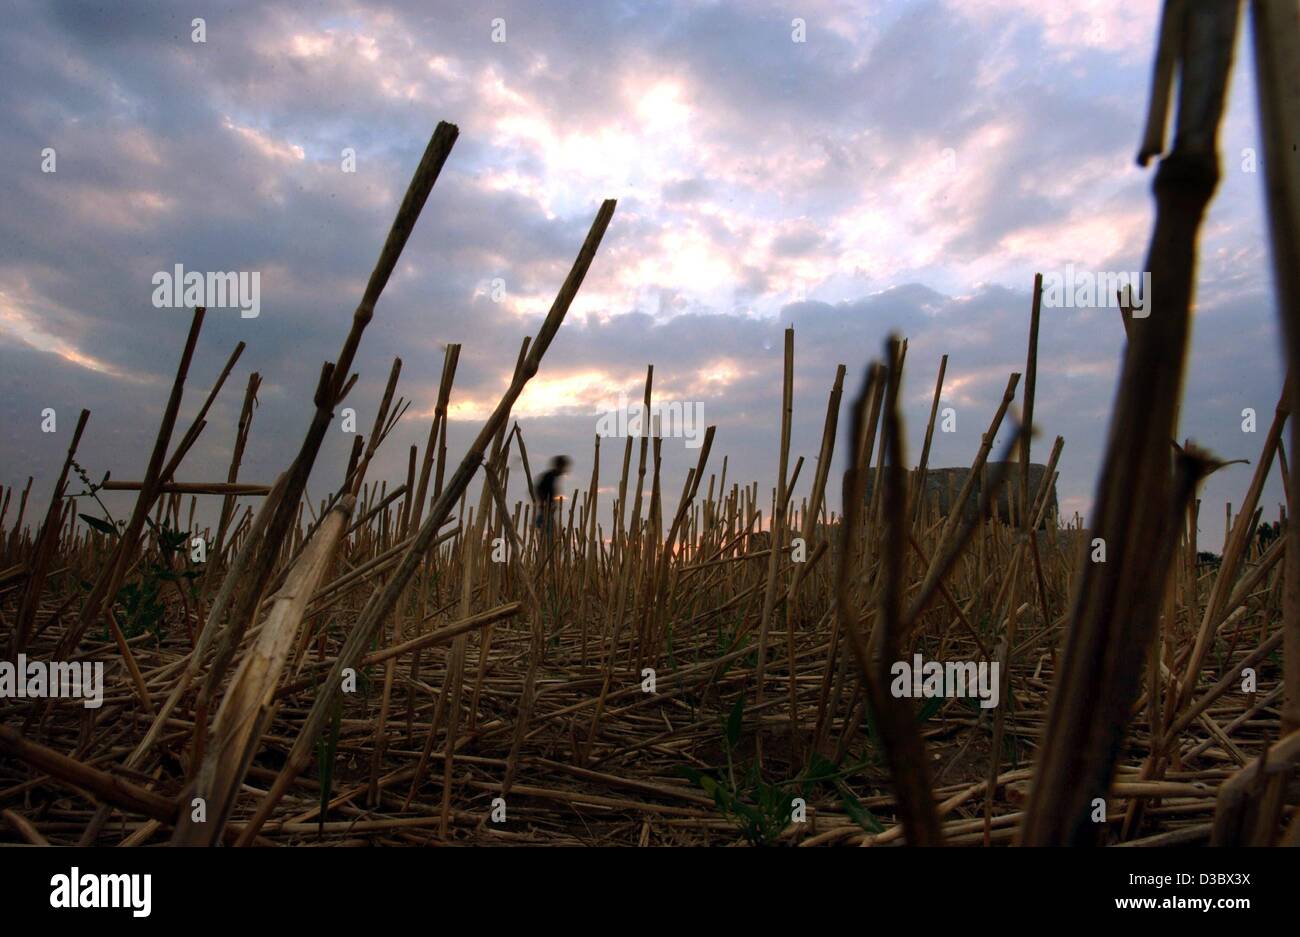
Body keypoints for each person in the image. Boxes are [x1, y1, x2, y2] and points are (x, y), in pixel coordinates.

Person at [534, 455, 570, 538]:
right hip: (546, 512)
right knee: (549, 535)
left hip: (547, 511)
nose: (564, 470)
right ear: (559, 466)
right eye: (563, 467)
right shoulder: (549, 476)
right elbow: (539, 489)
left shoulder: (551, 477)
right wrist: (544, 503)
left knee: (551, 534)